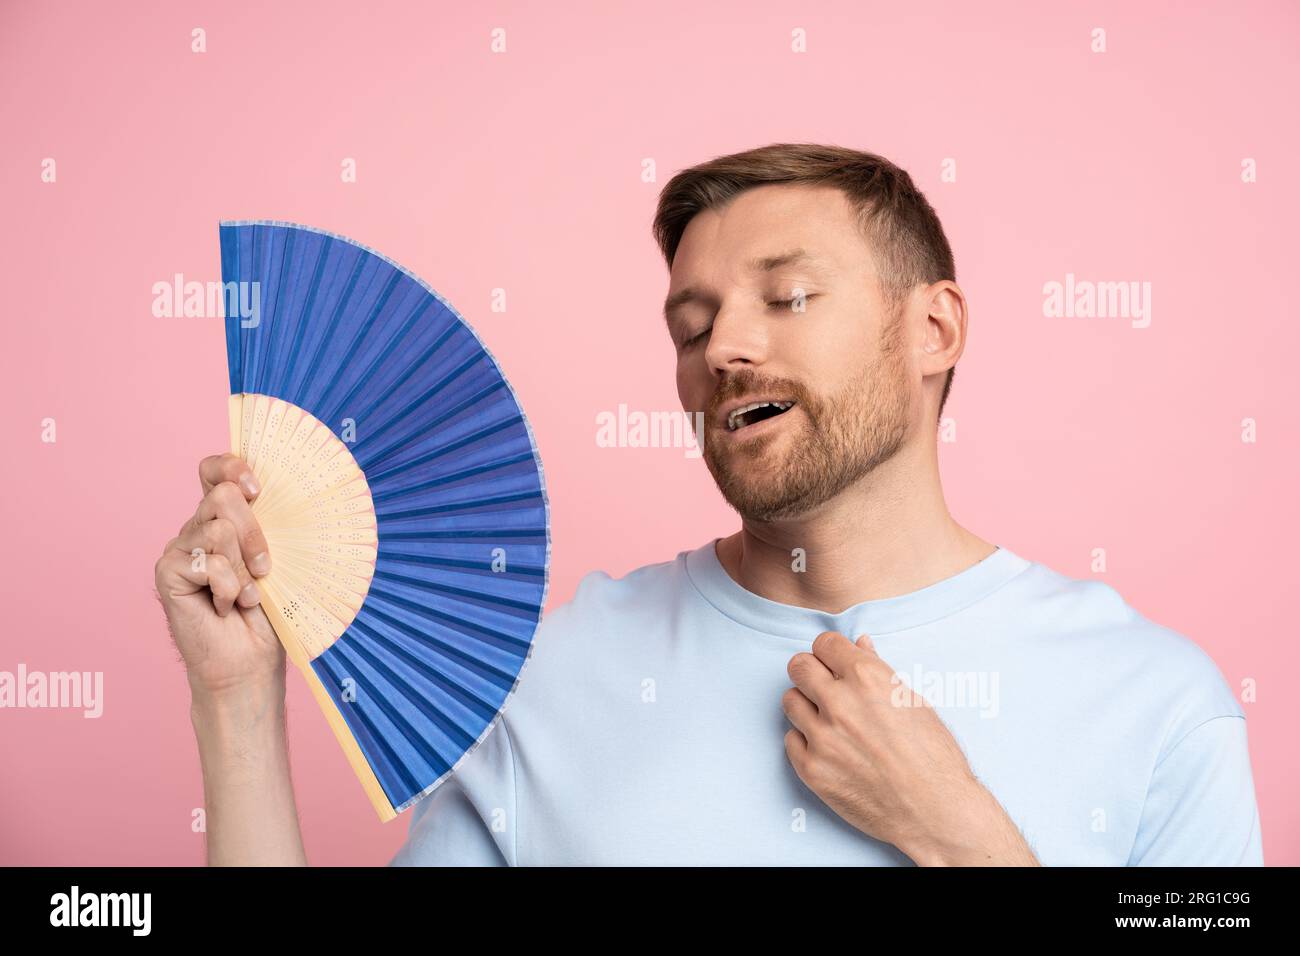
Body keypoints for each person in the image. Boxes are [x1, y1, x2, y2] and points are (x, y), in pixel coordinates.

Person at [154, 143, 1263, 866]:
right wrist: (236, 698)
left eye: (786, 295)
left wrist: (959, 834)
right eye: (691, 325)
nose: (724, 346)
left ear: (933, 330)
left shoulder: (1160, 704)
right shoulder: (549, 678)